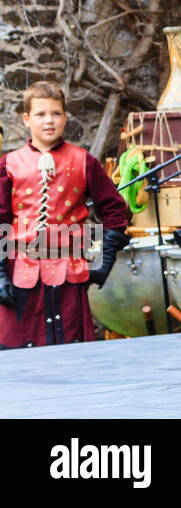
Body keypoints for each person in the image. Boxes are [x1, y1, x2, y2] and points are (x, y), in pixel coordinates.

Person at [0, 82, 131, 348]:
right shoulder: (9, 164)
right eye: (40, 114)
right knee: (18, 358)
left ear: (65, 117)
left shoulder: (83, 161)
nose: (49, 120)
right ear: (26, 119)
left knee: (70, 352)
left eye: (56, 113)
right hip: (20, 276)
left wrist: (103, 261)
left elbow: (116, 211)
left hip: (70, 275)